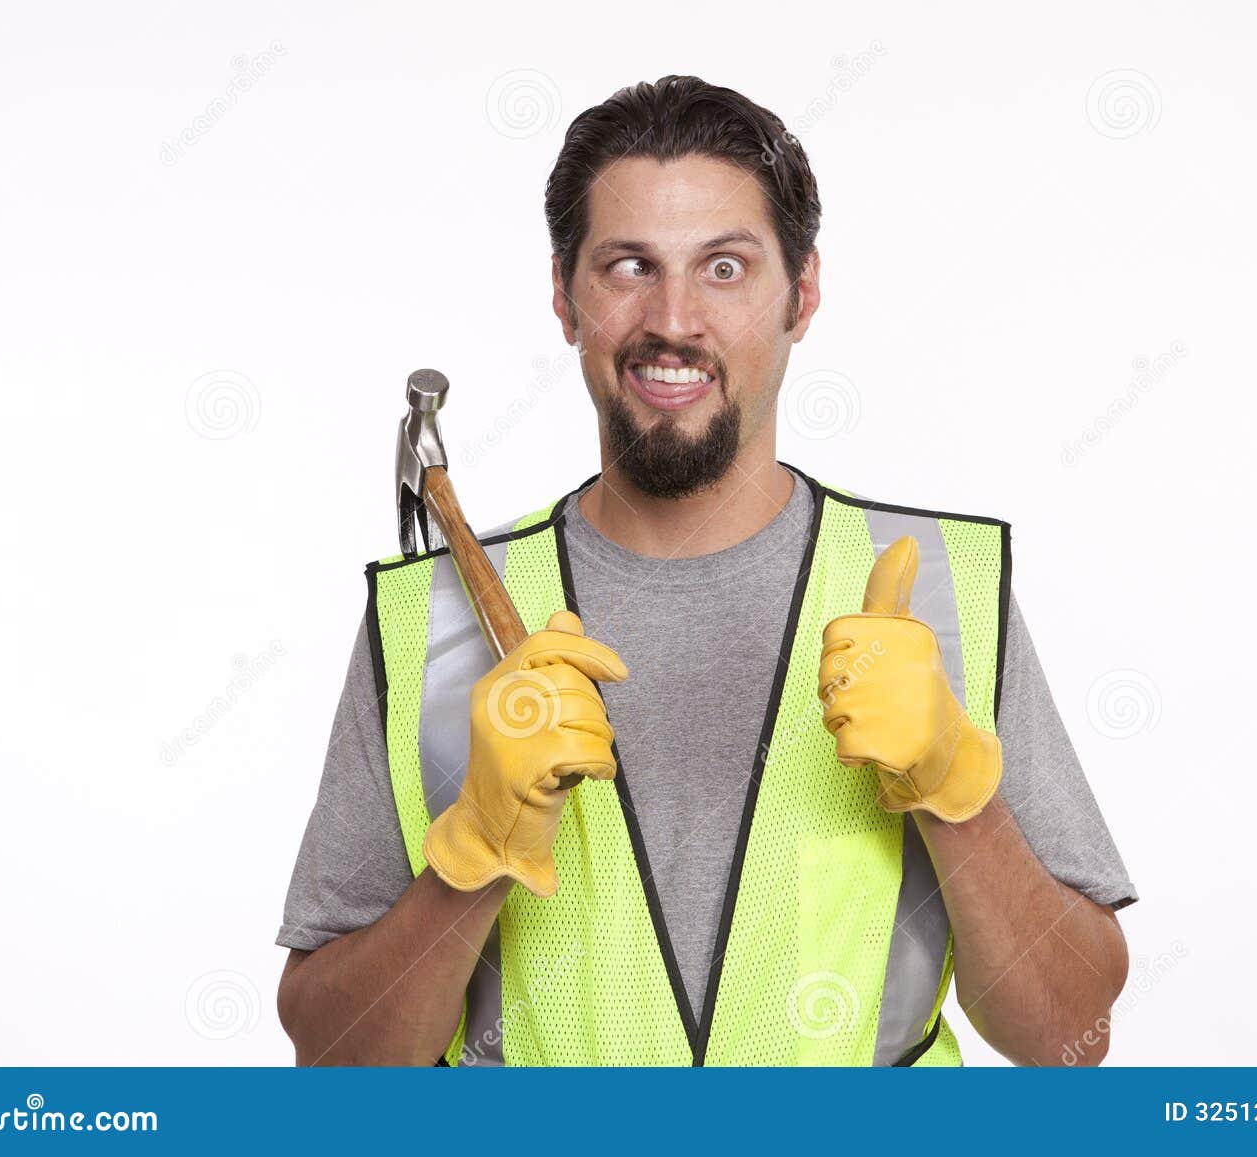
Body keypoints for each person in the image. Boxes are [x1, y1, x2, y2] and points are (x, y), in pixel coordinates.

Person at [275, 74, 1138, 1067]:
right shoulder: (433, 623)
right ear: (564, 295)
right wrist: (471, 856)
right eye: (628, 266)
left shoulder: (941, 593)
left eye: (723, 267)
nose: (673, 318)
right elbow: (334, 1065)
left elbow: (1070, 1040)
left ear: (800, 293)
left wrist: (958, 793)